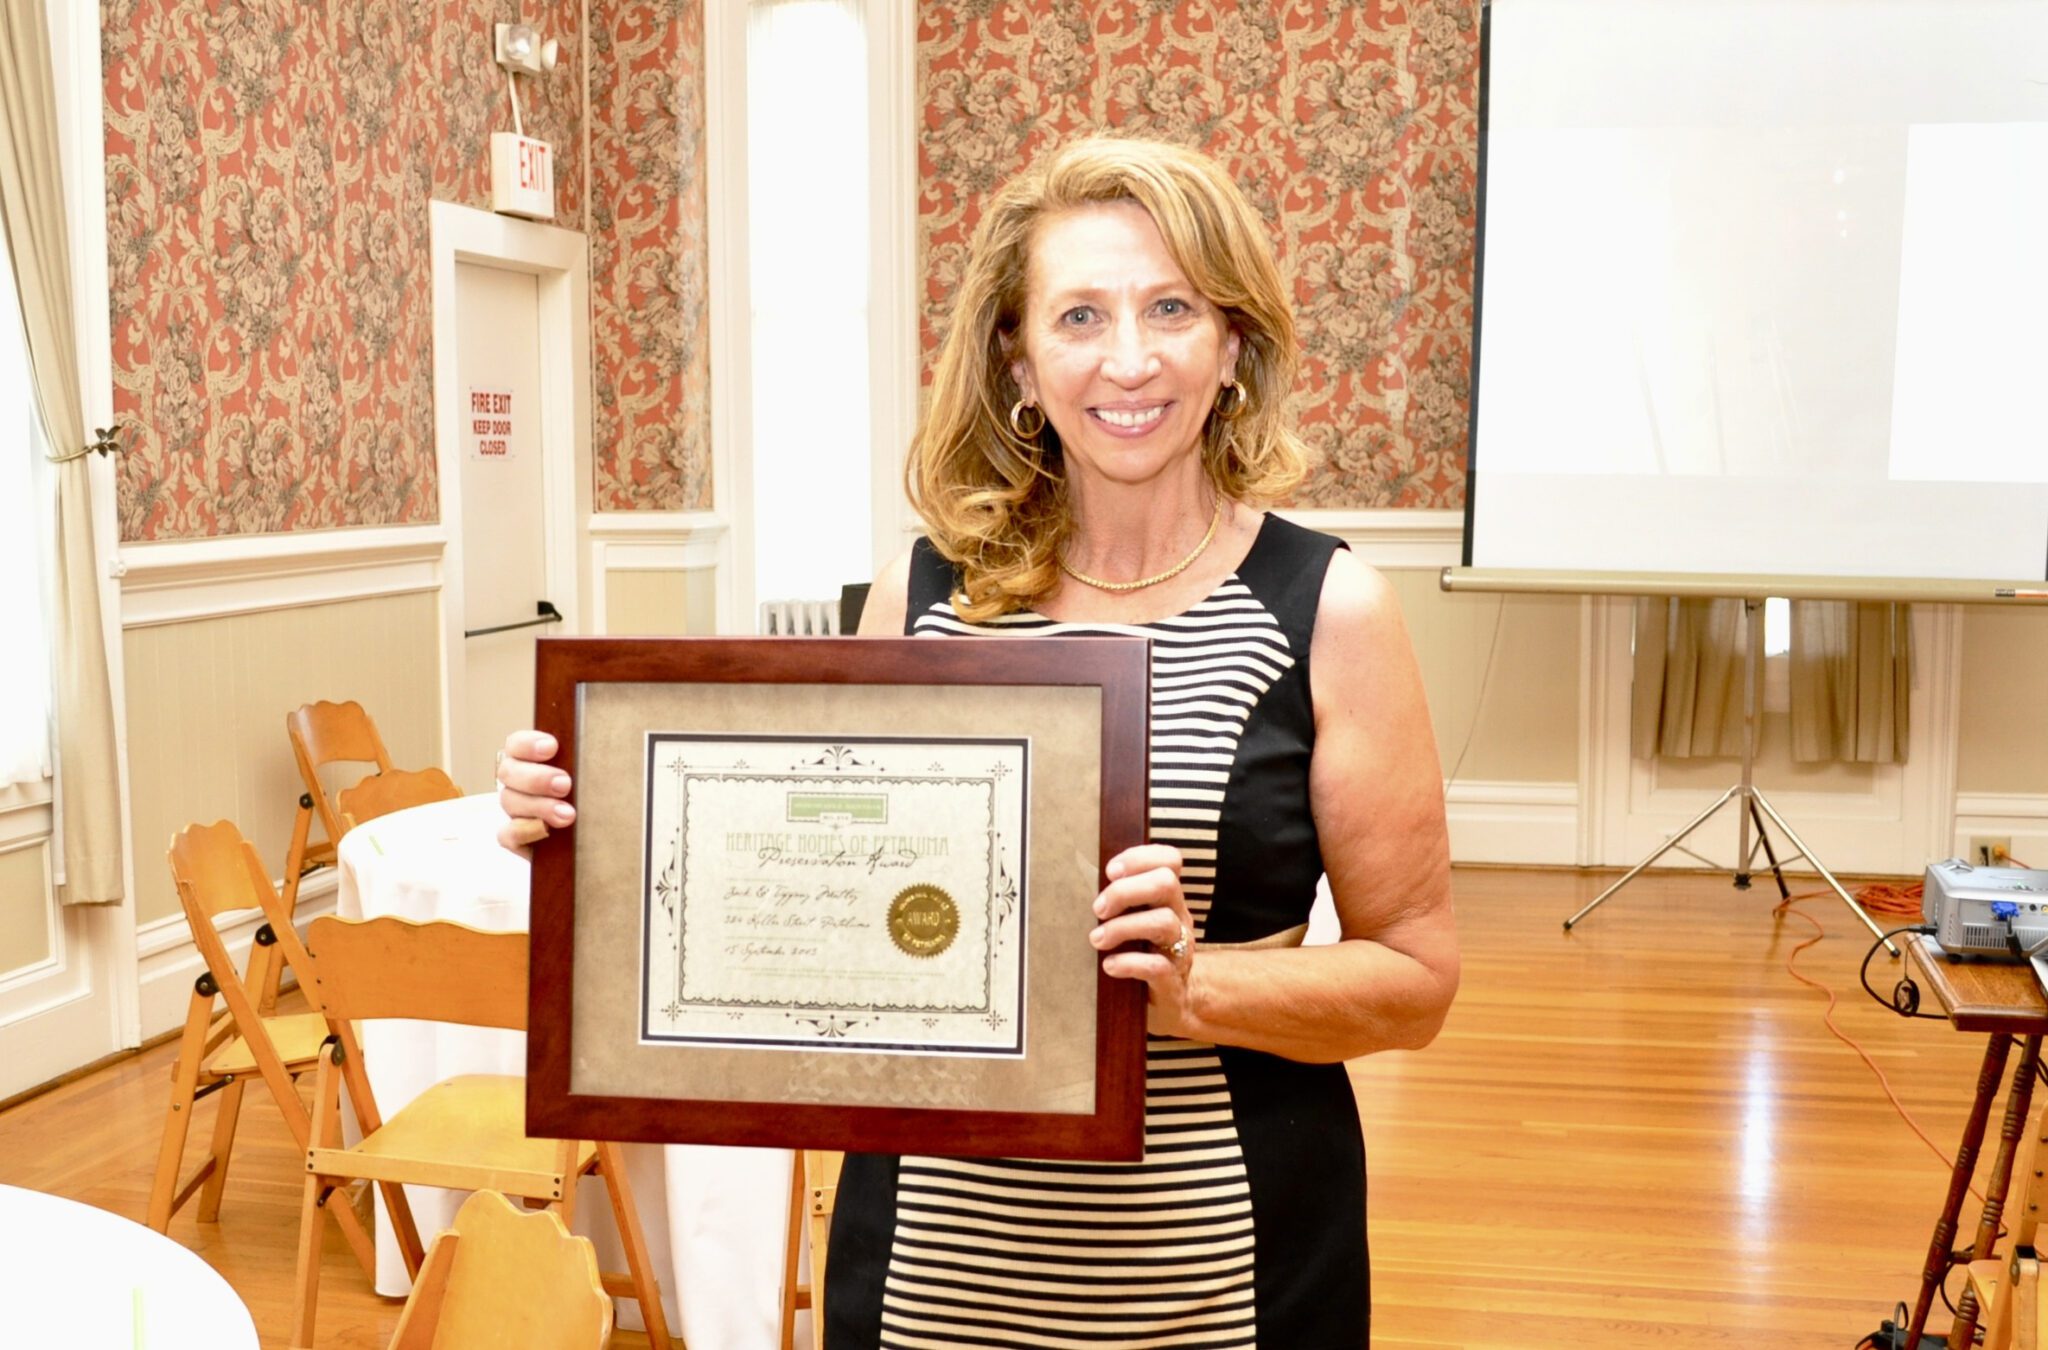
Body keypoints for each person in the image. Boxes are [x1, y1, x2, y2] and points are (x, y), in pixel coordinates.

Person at [498, 135, 1457, 1349]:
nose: (1127, 358)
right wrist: (592, 819)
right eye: (1078, 316)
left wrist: (1192, 989)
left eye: (1171, 308)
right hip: (927, 1274)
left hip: (1218, 1268)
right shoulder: (926, 596)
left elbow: (1413, 981)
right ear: (1018, 358)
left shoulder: (1325, 609)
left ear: (1231, 347)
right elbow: (818, 882)